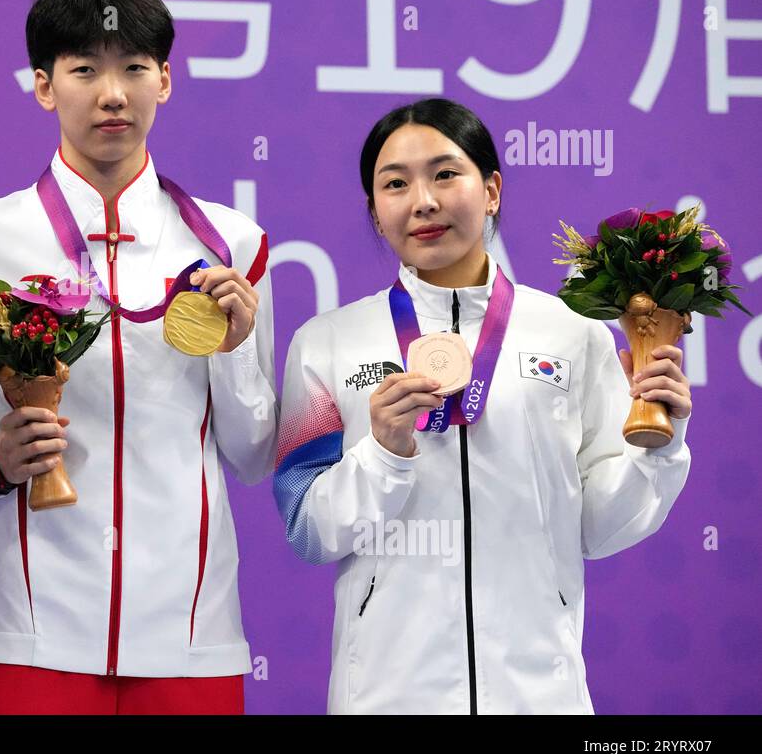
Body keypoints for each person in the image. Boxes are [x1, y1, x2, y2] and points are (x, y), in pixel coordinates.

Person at [0, 0, 277, 714]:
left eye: (135, 68)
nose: (113, 93)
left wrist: (232, 350)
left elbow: (255, 453)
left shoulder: (233, 243)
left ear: (165, 80)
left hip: (190, 637)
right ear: (43, 86)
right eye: (84, 70)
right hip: (28, 633)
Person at [274, 97, 692, 714]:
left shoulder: (570, 332)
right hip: (386, 693)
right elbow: (307, 531)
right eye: (395, 184)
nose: (424, 201)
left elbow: (599, 530)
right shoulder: (327, 343)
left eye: (446, 174)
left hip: (536, 691)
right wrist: (382, 456)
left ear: (491, 189)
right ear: (375, 209)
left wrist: (657, 450)